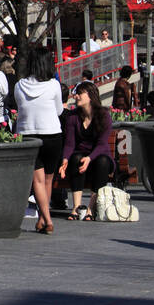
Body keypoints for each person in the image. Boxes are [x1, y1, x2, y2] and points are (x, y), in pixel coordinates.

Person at [14, 45, 65, 235]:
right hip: (52, 133)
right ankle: (45, 219)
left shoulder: (19, 85)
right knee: (49, 180)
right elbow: (59, 110)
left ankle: (45, 219)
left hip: (28, 134)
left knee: (37, 180)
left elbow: (19, 106)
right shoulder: (53, 85)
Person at [59, 81, 114, 222]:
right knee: (75, 158)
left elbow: (102, 144)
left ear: (90, 96)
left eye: (79, 93)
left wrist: (90, 158)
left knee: (102, 162)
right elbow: (70, 143)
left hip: (99, 155)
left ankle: (91, 208)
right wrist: (65, 159)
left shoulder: (103, 116)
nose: (75, 96)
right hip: (81, 156)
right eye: (76, 93)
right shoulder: (72, 117)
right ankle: (76, 207)